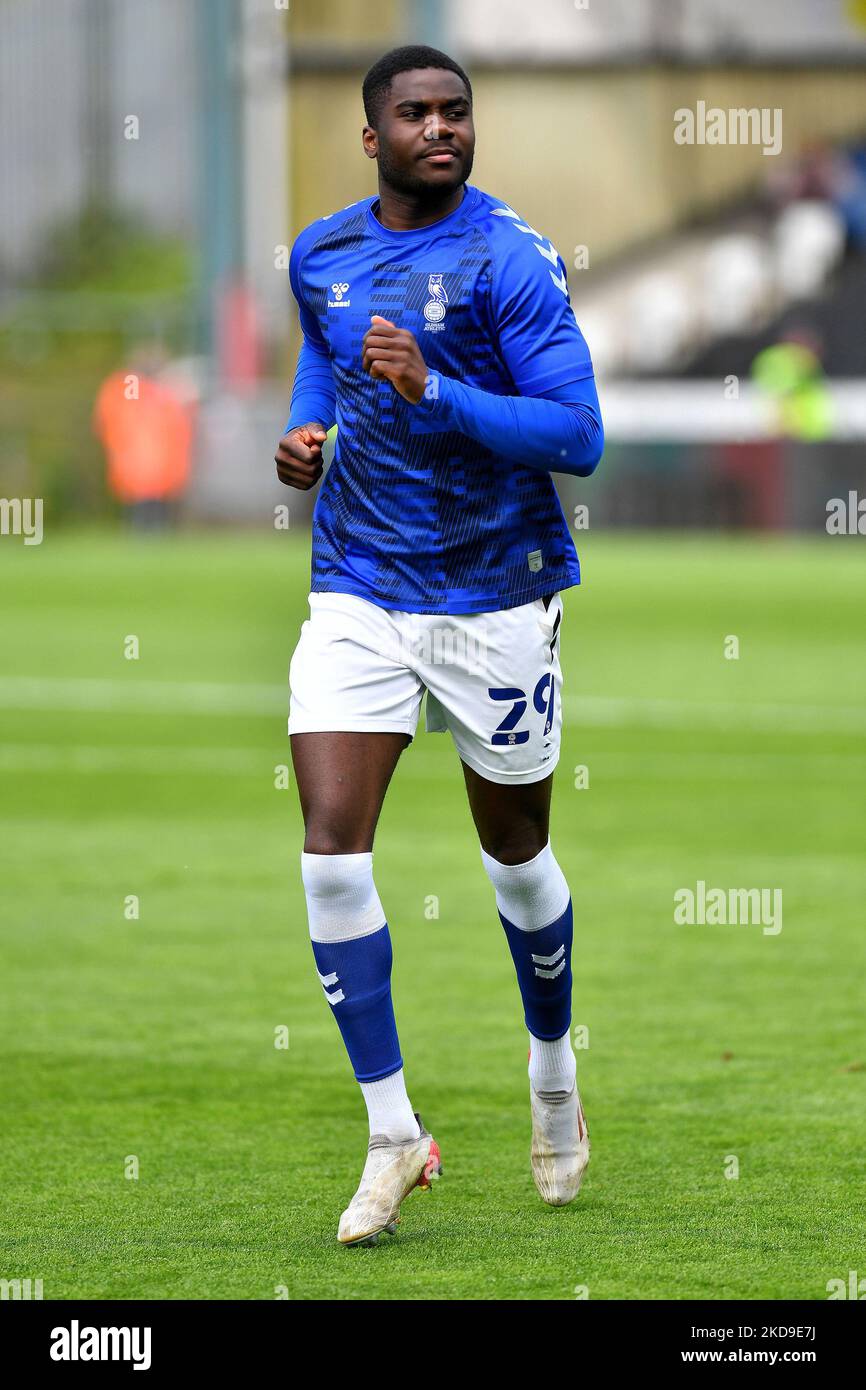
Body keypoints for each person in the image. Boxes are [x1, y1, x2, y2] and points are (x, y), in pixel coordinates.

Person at [275, 44, 604, 1247]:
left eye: (455, 111)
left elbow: (577, 434)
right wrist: (305, 431)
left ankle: (553, 1066)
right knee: (327, 849)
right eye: (414, 113)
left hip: (495, 594)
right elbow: (326, 352)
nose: (439, 128)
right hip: (357, 581)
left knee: (514, 854)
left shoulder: (509, 259)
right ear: (372, 137)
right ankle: (391, 1130)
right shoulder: (321, 251)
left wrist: (436, 396)